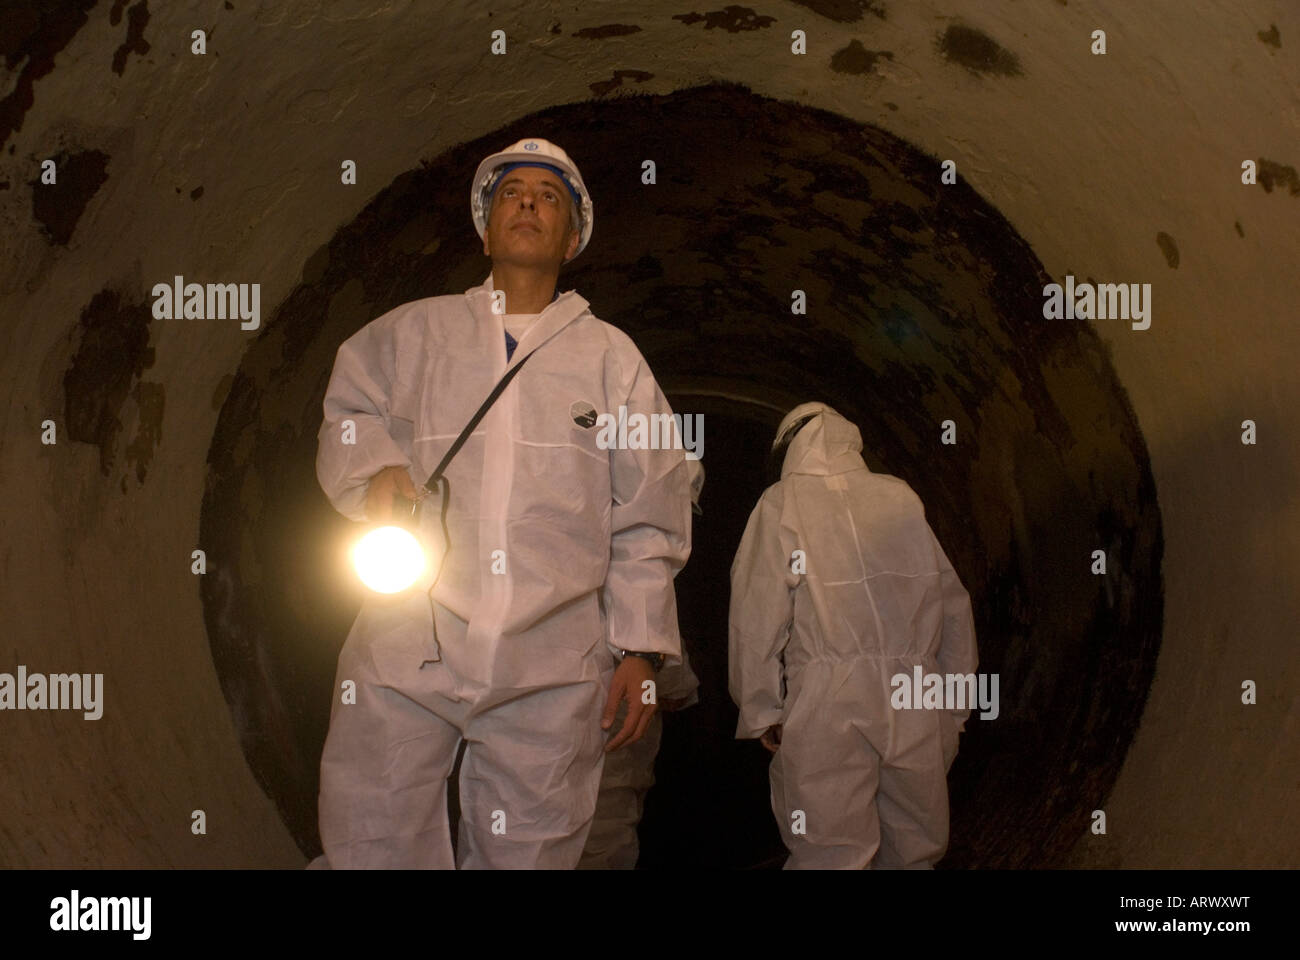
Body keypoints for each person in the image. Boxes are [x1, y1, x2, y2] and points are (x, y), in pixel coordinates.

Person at [312, 138, 693, 869]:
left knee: (531, 851)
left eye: (549, 197)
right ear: (485, 226)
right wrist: (379, 469)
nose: (528, 203)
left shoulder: (614, 360)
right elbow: (350, 412)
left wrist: (640, 650)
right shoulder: (413, 332)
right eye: (512, 192)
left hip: (552, 658)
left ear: (573, 236)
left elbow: (648, 514)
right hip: (409, 632)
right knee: (372, 832)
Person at [728, 402, 977, 869]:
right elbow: (953, 604)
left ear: (788, 447)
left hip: (828, 697)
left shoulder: (782, 502)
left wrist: (762, 706)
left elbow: (757, 613)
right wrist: (953, 705)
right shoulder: (900, 496)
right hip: (916, 694)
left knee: (831, 849)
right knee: (915, 846)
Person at [578, 462, 705, 869]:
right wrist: (675, 686)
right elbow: (656, 645)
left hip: (590, 719)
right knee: (603, 832)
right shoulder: (632, 556)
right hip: (607, 724)